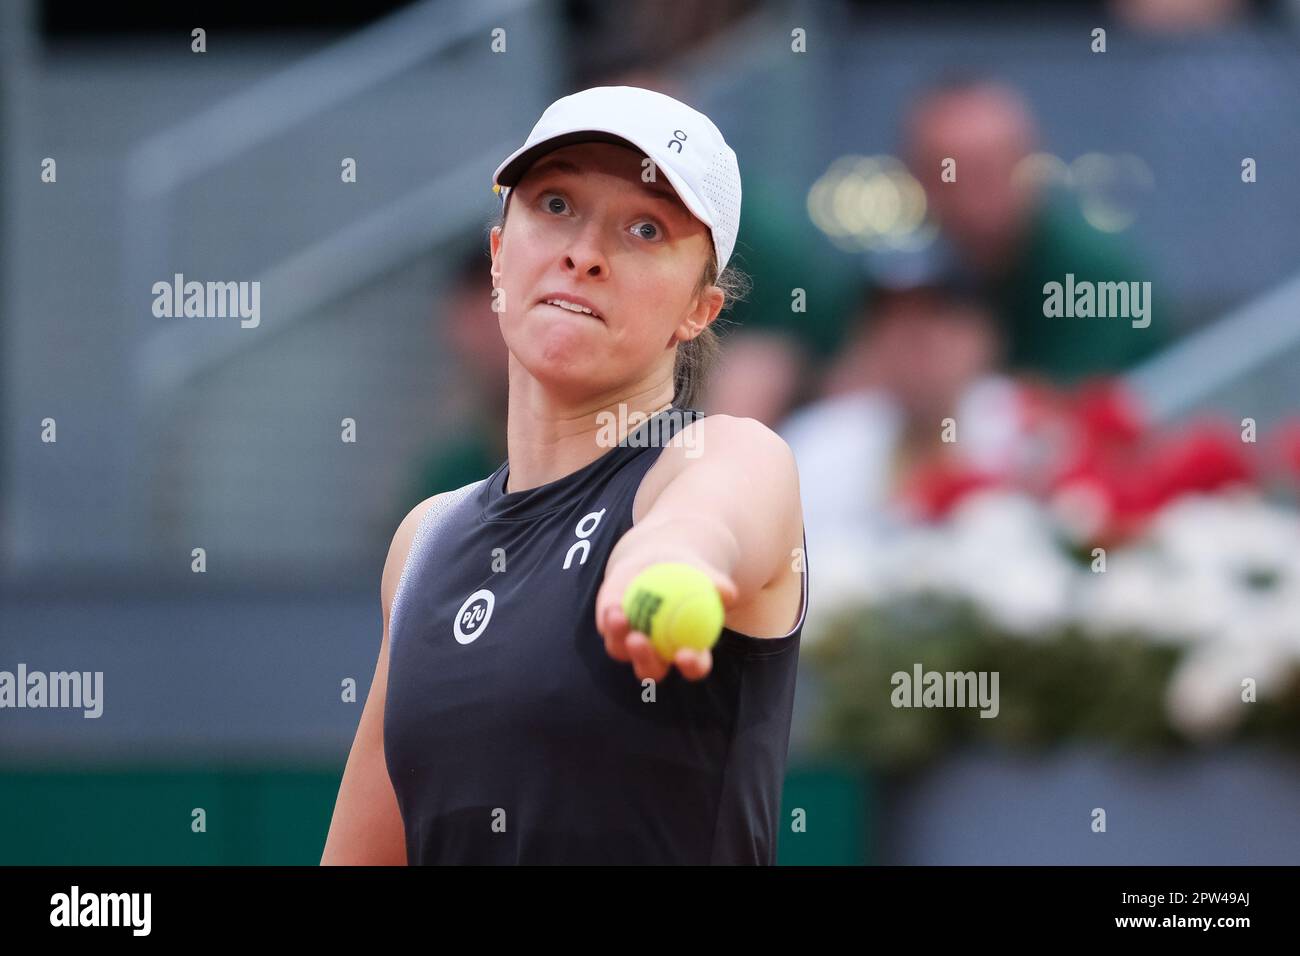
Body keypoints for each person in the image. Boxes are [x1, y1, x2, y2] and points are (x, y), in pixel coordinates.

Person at [321, 86, 808, 865]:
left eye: (645, 228)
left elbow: (705, 522)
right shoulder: (423, 543)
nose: (584, 252)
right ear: (496, 258)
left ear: (699, 309)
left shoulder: (728, 454)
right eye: (554, 204)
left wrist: (666, 564)